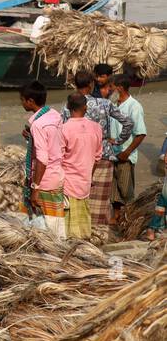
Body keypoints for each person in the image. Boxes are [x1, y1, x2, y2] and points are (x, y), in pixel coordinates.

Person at [61, 70, 130, 229]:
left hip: (76, 159)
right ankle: (97, 234)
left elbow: (60, 133)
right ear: (91, 84)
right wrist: (116, 141)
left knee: (76, 199)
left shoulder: (68, 107)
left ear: (75, 85)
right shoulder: (105, 104)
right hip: (103, 155)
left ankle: (77, 231)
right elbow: (128, 123)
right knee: (100, 202)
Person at [20, 81, 64, 231]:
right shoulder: (54, 115)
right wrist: (30, 137)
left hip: (44, 180)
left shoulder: (38, 125)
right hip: (56, 175)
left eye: (22, 99)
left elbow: (42, 159)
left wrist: (35, 188)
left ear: (30, 101)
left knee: (44, 228)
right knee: (56, 223)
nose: (21, 102)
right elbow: (53, 143)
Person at [60, 94, 102, 241]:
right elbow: (97, 158)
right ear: (86, 107)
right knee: (83, 216)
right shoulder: (96, 128)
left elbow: (59, 158)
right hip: (84, 181)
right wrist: (90, 176)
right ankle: (83, 242)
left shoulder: (63, 129)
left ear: (67, 107)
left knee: (67, 223)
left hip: (67, 183)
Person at [108, 73, 147, 220]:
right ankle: (116, 218)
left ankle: (131, 220)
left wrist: (127, 152)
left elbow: (141, 133)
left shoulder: (134, 106)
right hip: (112, 154)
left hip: (125, 155)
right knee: (114, 191)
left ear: (120, 88)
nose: (109, 90)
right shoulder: (113, 105)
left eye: (111, 87)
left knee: (126, 191)